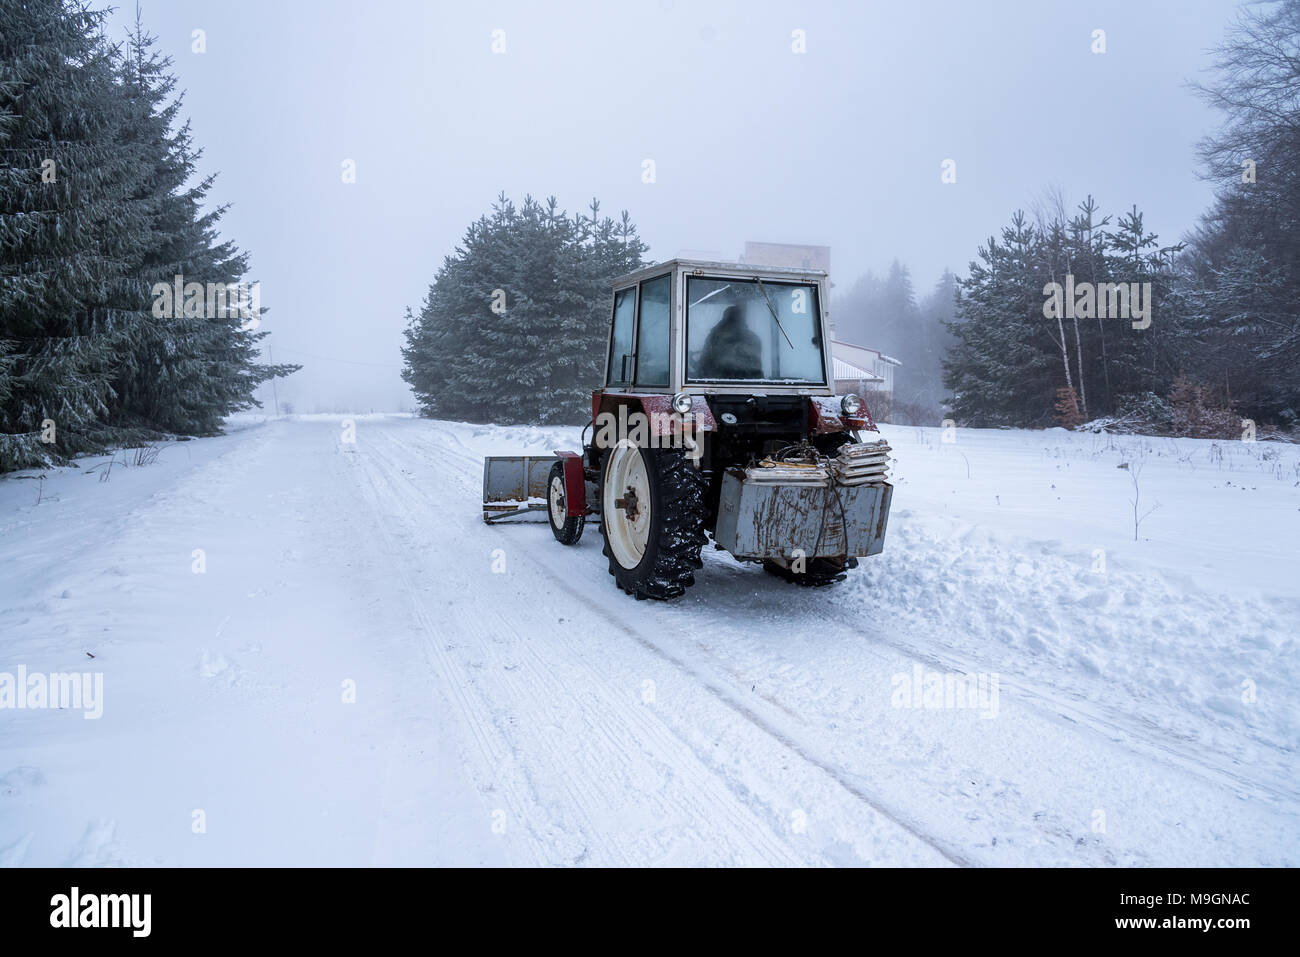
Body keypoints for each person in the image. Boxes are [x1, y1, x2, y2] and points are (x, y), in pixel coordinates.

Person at [697, 304, 763, 379]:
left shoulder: (715, 337)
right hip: (752, 384)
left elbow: (704, 363)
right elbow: (756, 366)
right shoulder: (753, 338)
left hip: (718, 383)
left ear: (725, 318)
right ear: (742, 319)